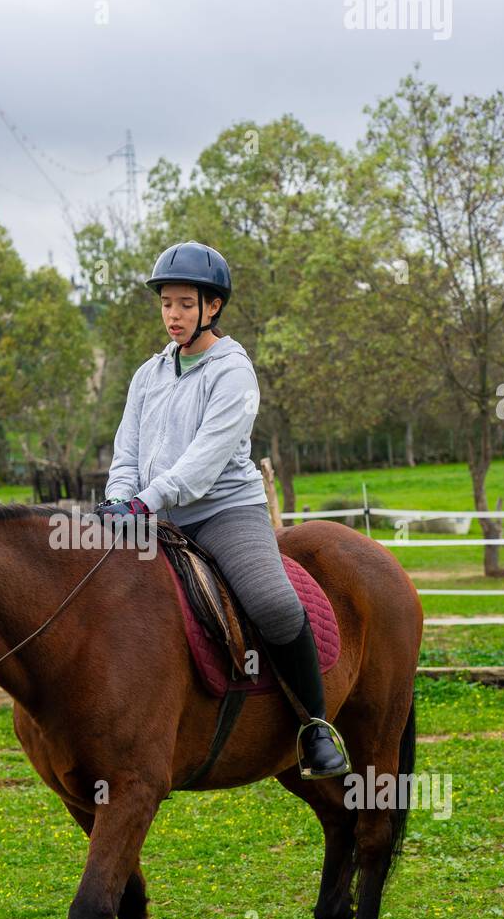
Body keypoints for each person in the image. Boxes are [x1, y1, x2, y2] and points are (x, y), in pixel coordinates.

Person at [95, 239, 349, 779]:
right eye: (166, 303)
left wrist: (144, 502)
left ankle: (315, 726)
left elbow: (202, 464)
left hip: (223, 513)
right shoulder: (148, 374)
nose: (173, 314)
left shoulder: (233, 372)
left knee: (273, 602)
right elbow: (128, 451)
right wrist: (119, 498)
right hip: (149, 514)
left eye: (186, 303)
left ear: (212, 307)